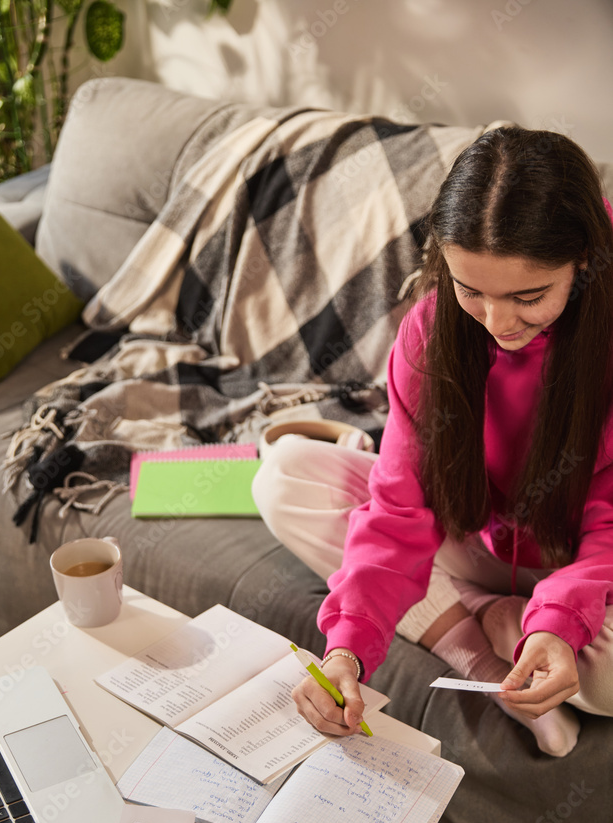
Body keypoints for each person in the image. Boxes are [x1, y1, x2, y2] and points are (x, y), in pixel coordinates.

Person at [252, 125, 613, 758]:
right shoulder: (430, 330)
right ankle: (480, 649)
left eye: (529, 297)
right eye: (470, 290)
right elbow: (398, 510)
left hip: (582, 562)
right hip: (473, 536)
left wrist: (558, 622)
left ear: (583, 260)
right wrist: (346, 650)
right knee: (283, 475)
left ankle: (514, 622)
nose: (498, 325)